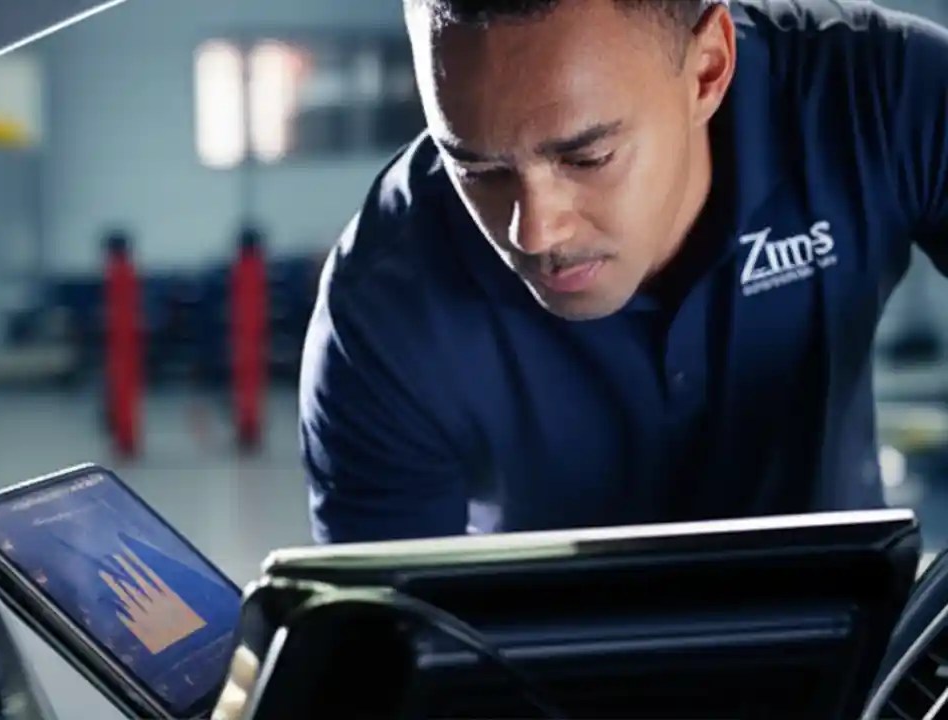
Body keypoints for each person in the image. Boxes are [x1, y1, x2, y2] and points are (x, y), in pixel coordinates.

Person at [299, 0, 948, 544]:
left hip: (853, 657)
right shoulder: (379, 314)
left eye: (588, 157)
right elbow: (390, 649)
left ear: (708, 71)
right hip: (527, 684)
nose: (535, 231)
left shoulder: (880, 99)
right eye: (478, 170)